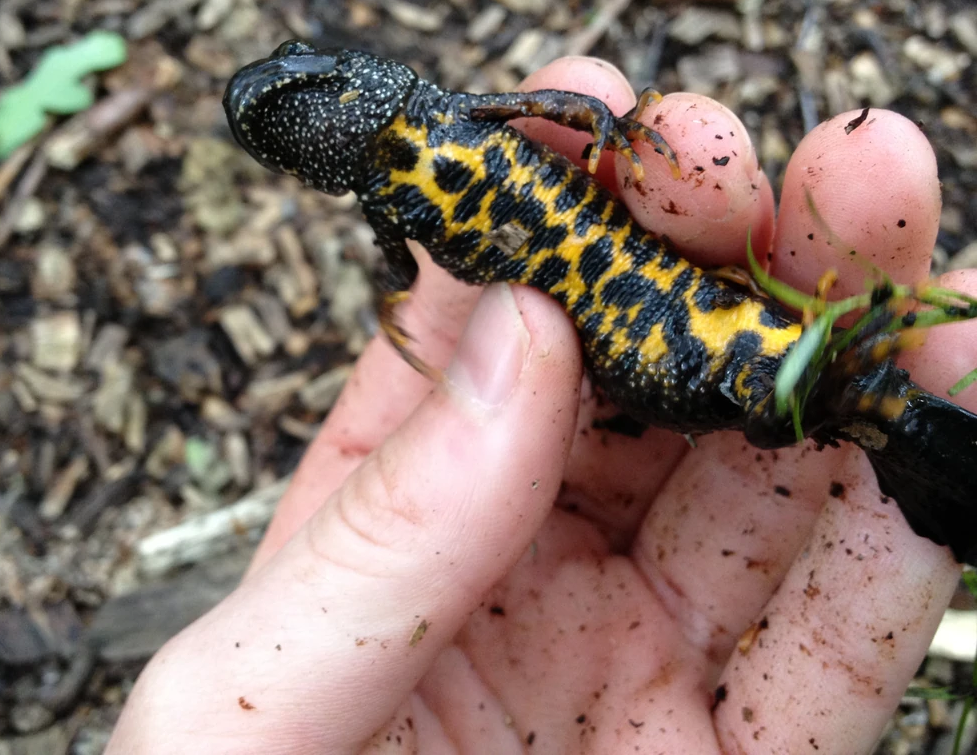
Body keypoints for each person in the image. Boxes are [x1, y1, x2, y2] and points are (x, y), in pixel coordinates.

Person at [106, 56, 977, 754]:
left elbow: (422, 252)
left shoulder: (410, 163)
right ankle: (870, 408)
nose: (306, 71)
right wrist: (605, 124)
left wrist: (607, 127)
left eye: (307, 68)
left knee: (773, 357)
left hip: (643, 318)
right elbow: (562, 110)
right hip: (636, 333)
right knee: (766, 365)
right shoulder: (428, 136)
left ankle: (873, 406)